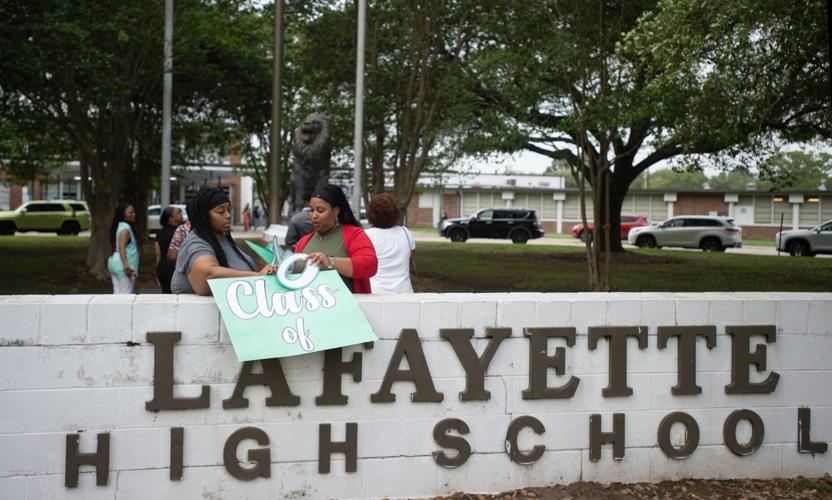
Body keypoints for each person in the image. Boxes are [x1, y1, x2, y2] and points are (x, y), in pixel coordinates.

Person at [171, 186, 276, 295]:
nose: (228, 215)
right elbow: (207, 275)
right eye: (221, 211)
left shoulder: (221, 237)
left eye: (229, 210)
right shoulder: (196, 243)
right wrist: (257, 276)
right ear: (204, 216)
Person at [294, 184, 378, 294]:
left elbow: (370, 265)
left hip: (345, 309)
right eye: (311, 210)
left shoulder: (354, 235)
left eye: (320, 210)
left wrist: (330, 261)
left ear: (336, 211)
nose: (314, 215)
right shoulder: (303, 242)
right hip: (308, 308)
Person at [365, 193, 416, 294]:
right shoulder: (405, 233)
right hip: (405, 292)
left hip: (375, 293)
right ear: (396, 213)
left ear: (371, 214)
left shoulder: (365, 236)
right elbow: (411, 258)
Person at [107, 204, 140, 294]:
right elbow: (122, 247)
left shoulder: (120, 226)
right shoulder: (125, 229)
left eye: (134, 212)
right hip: (123, 265)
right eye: (130, 212)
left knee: (117, 293)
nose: (134, 214)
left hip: (114, 262)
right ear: (123, 215)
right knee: (125, 295)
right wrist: (126, 266)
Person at [154, 206, 184, 294]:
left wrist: (157, 270)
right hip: (175, 268)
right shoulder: (180, 232)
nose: (181, 215)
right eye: (178, 213)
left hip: (163, 267)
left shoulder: (159, 233)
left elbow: (158, 254)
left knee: (166, 295)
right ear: (171, 219)